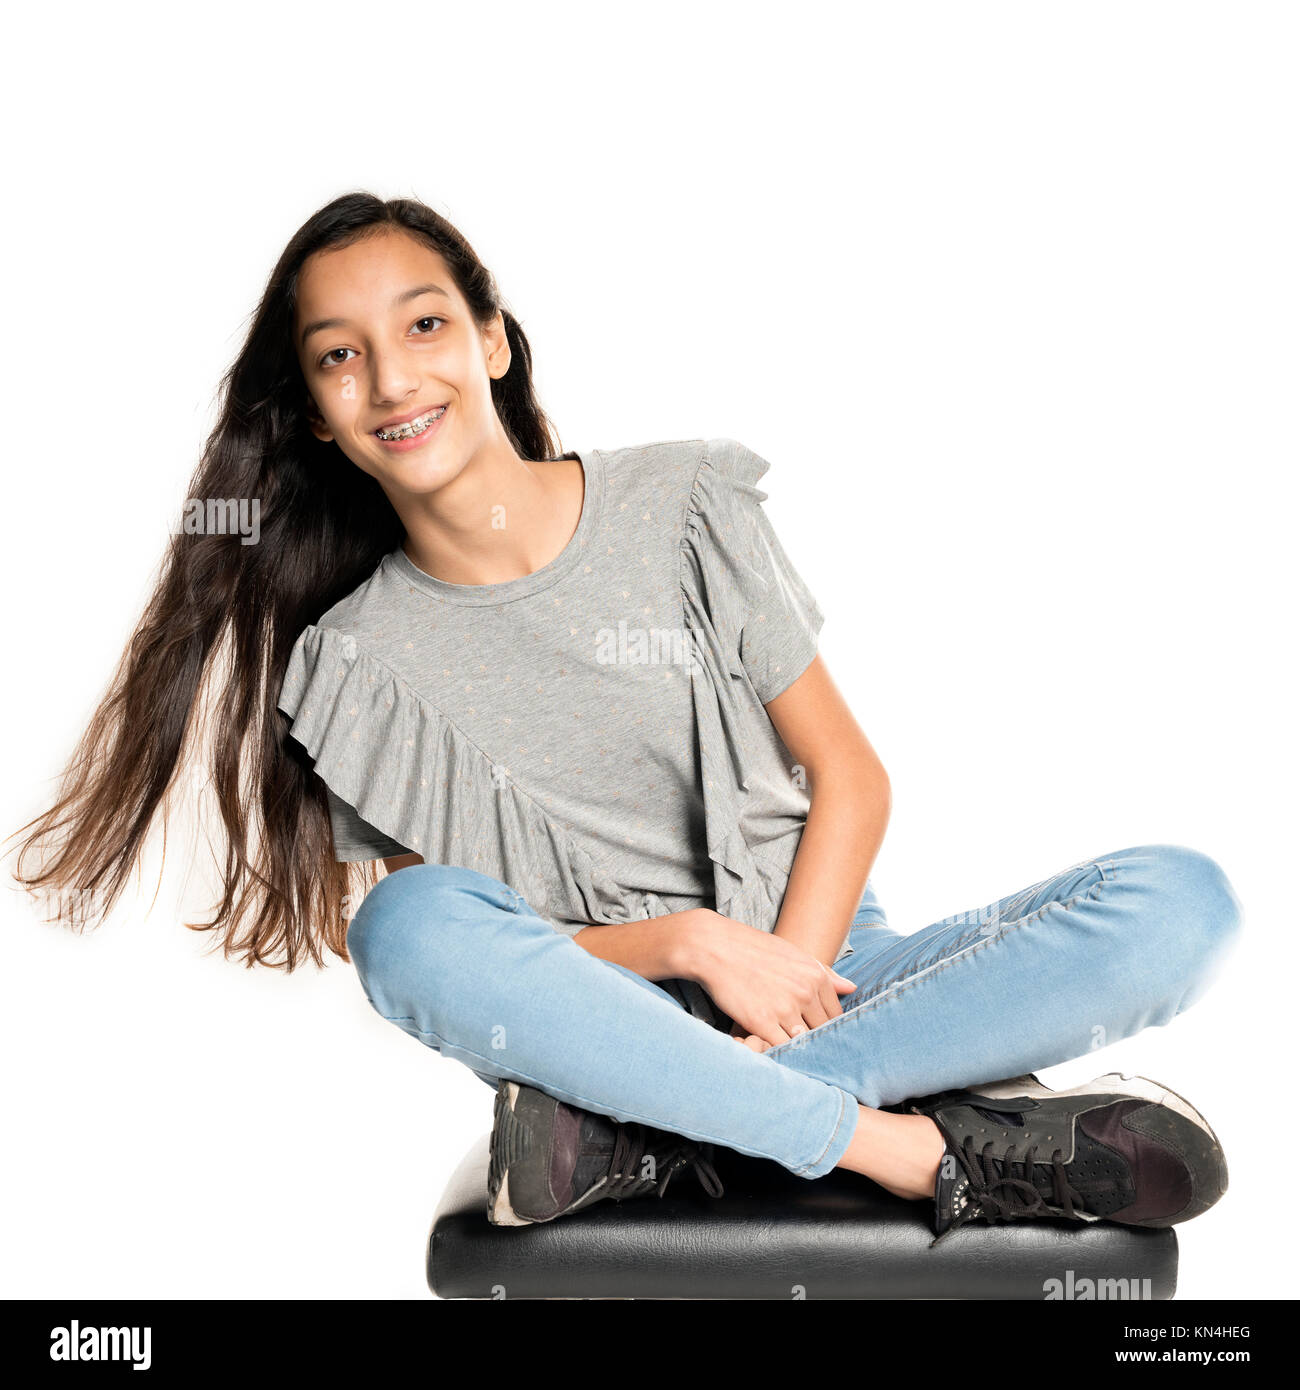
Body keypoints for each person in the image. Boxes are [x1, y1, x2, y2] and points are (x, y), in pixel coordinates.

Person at [8, 192, 1244, 1249]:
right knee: (402, 922)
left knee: (1181, 900)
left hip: (838, 980)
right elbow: (474, 952)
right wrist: (690, 944)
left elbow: (849, 778)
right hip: (610, 1027)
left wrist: (788, 986)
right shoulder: (351, 666)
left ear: (492, 340)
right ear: (319, 411)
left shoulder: (681, 503)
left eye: (425, 324)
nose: (392, 379)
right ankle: (908, 1150)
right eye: (340, 356)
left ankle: (664, 1135)